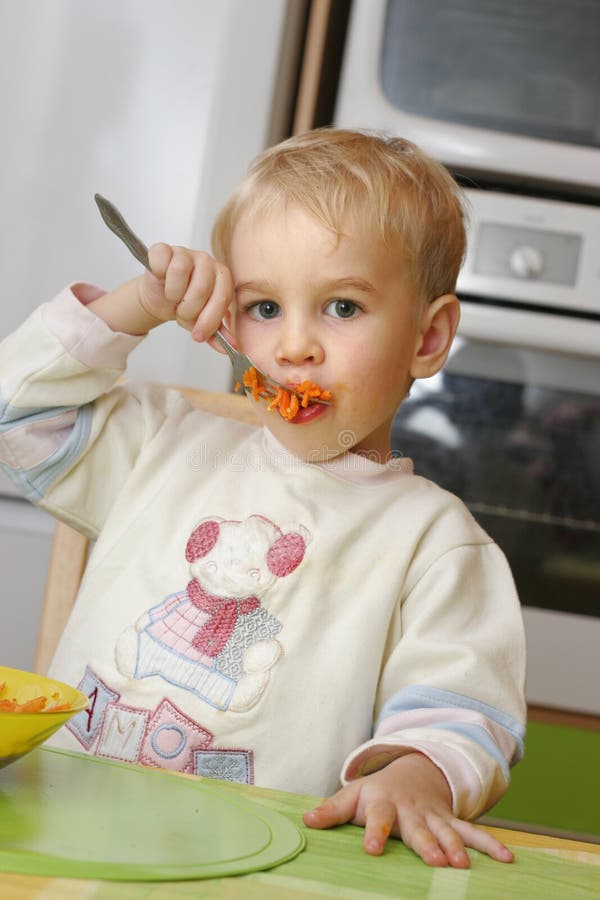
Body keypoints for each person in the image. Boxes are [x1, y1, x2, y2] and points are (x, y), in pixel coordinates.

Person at [0, 129, 526, 867]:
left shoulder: (434, 542)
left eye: (342, 308)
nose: (295, 347)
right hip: (58, 835)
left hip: (257, 870)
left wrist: (415, 775)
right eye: (264, 308)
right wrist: (140, 303)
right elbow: (17, 412)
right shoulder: (163, 446)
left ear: (428, 337)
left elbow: (459, 711)